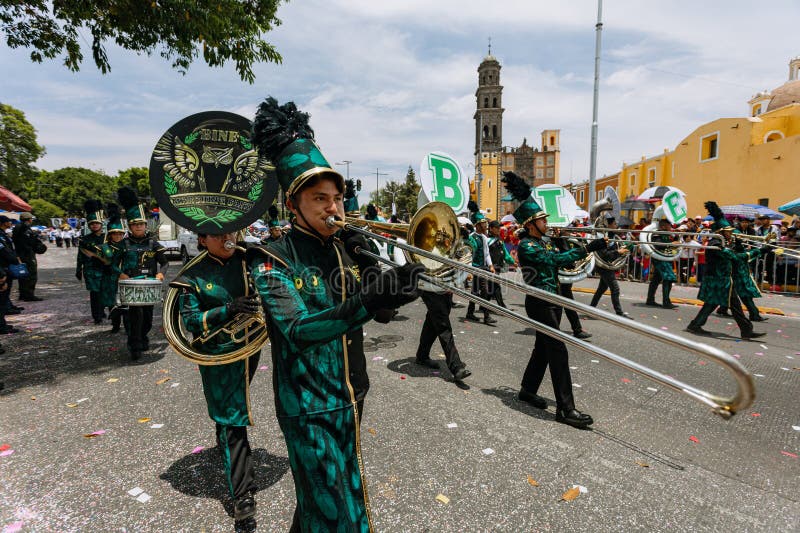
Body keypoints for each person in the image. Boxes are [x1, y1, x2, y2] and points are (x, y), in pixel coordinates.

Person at [249, 96, 421, 531]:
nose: (334, 208)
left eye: (338, 198)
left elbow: (374, 317)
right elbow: (296, 331)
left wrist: (390, 292)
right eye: (320, 198)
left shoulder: (347, 248)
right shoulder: (271, 258)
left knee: (324, 499)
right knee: (343, 514)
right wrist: (366, 301)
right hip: (308, 404)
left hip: (350, 392)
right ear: (293, 204)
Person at [502, 171, 607, 429]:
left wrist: (564, 241)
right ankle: (566, 409)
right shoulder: (528, 246)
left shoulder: (543, 241)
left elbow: (557, 253)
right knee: (558, 352)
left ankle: (527, 390)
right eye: (542, 220)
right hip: (540, 302)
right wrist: (587, 248)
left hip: (552, 300)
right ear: (530, 224)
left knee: (542, 348)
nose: (547, 223)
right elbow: (556, 261)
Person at [170, 230, 262, 522]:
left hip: (250, 345)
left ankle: (224, 438)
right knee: (232, 418)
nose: (227, 238)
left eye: (231, 232)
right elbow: (190, 321)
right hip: (217, 354)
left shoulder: (249, 260)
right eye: (218, 234)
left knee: (232, 407)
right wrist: (228, 309)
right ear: (202, 240)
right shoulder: (192, 276)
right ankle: (242, 495)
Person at [686, 202, 766, 340]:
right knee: (732, 306)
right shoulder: (715, 245)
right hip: (719, 280)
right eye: (728, 231)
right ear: (720, 232)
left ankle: (695, 325)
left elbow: (734, 254)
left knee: (713, 304)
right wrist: (759, 251)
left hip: (722, 280)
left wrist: (740, 247)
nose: (731, 233)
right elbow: (735, 258)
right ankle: (746, 330)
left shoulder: (722, 243)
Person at [117, 187, 168, 361]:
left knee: (147, 317)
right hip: (131, 285)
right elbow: (112, 265)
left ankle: (143, 336)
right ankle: (135, 344)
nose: (139, 227)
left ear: (146, 225)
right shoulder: (123, 244)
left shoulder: (153, 243)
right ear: (130, 226)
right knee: (135, 314)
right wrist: (120, 274)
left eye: (141, 224)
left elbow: (165, 262)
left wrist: (161, 274)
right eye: (135, 225)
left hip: (150, 284)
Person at [415, 243, 472, 382]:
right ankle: (456, 366)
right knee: (443, 324)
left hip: (443, 283)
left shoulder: (446, 241)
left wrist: (455, 279)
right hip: (428, 283)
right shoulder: (422, 243)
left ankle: (422, 356)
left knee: (433, 320)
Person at [550, 227, 591, 339]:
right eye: (567, 229)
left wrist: (580, 241)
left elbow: (575, 255)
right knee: (560, 306)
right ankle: (560, 331)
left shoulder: (567, 240)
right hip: (558, 279)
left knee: (566, 305)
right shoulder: (554, 241)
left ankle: (574, 329)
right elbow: (566, 258)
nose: (570, 232)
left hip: (565, 279)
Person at [589, 215, 632, 318]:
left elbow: (612, 250)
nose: (616, 226)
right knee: (615, 289)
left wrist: (624, 248)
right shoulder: (602, 236)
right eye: (614, 224)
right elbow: (605, 254)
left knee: (601, 289)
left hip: (607, 265)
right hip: (603, 266)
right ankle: (619, 313)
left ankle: (590, 309)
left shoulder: (611, 235)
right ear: (609, 225)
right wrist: (618, 251)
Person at [464, 202, 496, 325]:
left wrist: (491, 265)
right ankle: (487, 316)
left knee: (475, 292)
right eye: (483, 223)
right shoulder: (472, 237)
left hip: (483, 268)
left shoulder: (483, 237)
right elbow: (469, 255)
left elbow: (486, 253)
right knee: (485, 291)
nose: (486, 225)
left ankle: (470, 313)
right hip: (476, 268)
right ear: (477, 225)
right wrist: (469, 271)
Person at [76, 200, 107, 324]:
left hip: (105, 269)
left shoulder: (107, 237)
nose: (94, 225)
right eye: (92, 224)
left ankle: (102, 310)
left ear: (101, 224)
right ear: (89, 225)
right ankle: (97, 316)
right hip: (91, 270)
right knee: (94, 293)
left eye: (96, 223)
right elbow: (80, 256)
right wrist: (79, 269)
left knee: (104, 291)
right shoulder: (84, 240)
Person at [100, 204, 127, 333]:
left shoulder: (127, 246)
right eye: (114, 234)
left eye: (119, 233)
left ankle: (128, 326)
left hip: (126, 278)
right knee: (113, 303)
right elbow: (109, 263)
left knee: (126, 302)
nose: (117, 236)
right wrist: (119, 273)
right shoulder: (105, 247)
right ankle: (115, 325)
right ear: (110, 235)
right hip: (110, 278)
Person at [645, 217, 679, 309]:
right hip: (660, 259)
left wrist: (676, 237)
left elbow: (670, 243)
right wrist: (672, 244)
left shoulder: (666, 234)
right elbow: (658, 245)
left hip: (665, 258)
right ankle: (666, 301)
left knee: (656, 279)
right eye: (669, 225)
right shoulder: (657, 234)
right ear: (663, 226)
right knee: (668, 278)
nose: (671, 227)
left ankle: (650, 299)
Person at [12, 212, 43, 301]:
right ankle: (29, 295)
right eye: (31, 219)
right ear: (28, 219)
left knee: (23, 274)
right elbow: (27, 241)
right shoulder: (23, 228)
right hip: (27, 254)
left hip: (22, 253)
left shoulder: (18, 227)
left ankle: (23, 294)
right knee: (31, 274)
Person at [486, 220, 516, 309]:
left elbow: (505, 253)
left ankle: (483, 307)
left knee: (492, 289)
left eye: (499, 228)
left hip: (498, 266)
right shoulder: (487, 240)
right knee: (496, 287)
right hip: (491, 267)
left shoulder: (499, 239)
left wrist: (512, 262)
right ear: (491, 229)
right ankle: (502, 307)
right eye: (496, 228)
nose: (499, 229)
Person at [0, 216, 23, 319]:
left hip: (7, 265)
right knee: (3, 293)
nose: (10, 223)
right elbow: (4, 251)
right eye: (8, 221)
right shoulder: (1, 235)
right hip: (3, 266)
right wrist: (13, 259)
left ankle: (7, 308)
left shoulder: (4, 234)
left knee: (6, 291)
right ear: (3, 223)